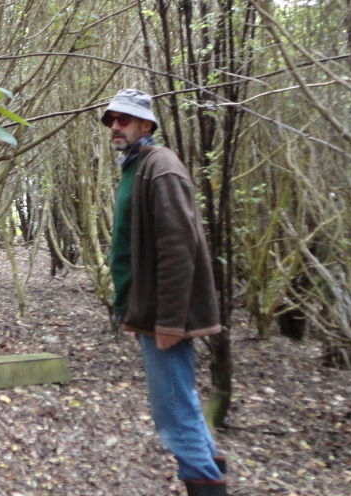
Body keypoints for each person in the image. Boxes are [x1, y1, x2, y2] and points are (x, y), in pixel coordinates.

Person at [101, 88, 228, 496]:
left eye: (125, 119)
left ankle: (206, 484)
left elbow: (178, 247)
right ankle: (211, 470)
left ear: (146, 124)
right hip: (149, 311)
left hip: (165, 317)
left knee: (172, 413)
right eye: (112, 120)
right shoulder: (135, 167)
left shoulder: (162, 167)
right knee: (182, 402)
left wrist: (170, 320)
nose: (116, 126)